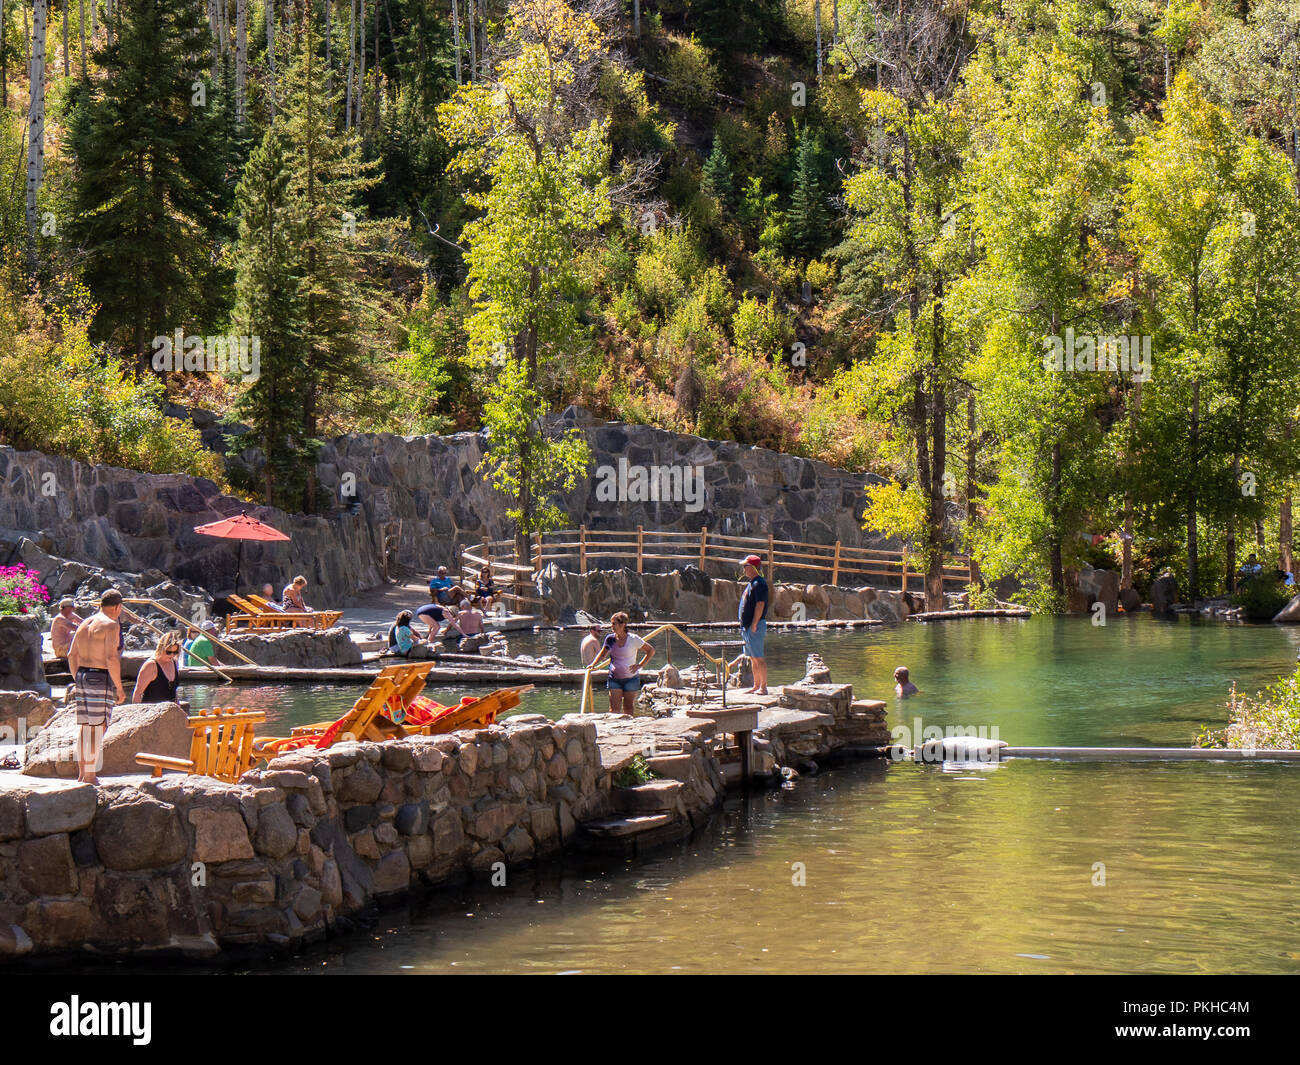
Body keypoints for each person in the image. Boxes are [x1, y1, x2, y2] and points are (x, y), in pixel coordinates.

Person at [66, 589, 127, 785]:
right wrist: (119, 687)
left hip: (83, 675)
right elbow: (111, 658)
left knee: (85, 728)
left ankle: (83, 774)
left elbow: (71, 655)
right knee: (98, 728)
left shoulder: (84, 623)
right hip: (100, 677)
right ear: (118, 607)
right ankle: (90, 776)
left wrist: (78, 678)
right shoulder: (111, 625)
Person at [589, 611, 655, 714]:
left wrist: (640, 665)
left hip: (631, 679)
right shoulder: (610, 639)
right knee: (614, 710)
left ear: (623, 624)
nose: (612, 626)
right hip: (614, 678)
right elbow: (602, 654)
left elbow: (650, 650)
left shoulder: (633, 639)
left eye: (614, 623)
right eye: (612, 623)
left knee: (628, 709)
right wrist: (592, 664)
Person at [738, 554, 768, 695]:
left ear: (753, 567)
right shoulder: (751, 583)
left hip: (754, 626)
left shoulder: (759, 583)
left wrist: (755, 623)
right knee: (752, 658)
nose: (744, 569)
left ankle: (763, 687)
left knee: (759, 658)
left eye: (746, 566)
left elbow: (760, 604)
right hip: (747, 626)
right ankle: (756, 685)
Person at [132, 633, 183, 704]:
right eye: (168, 652)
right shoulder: (151, 665)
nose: (172, 655)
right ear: (161, 648)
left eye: (175, 652)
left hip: (170, 709)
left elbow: (174, 691)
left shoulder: (174, 662)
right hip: (151, 710)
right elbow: (138, 693)